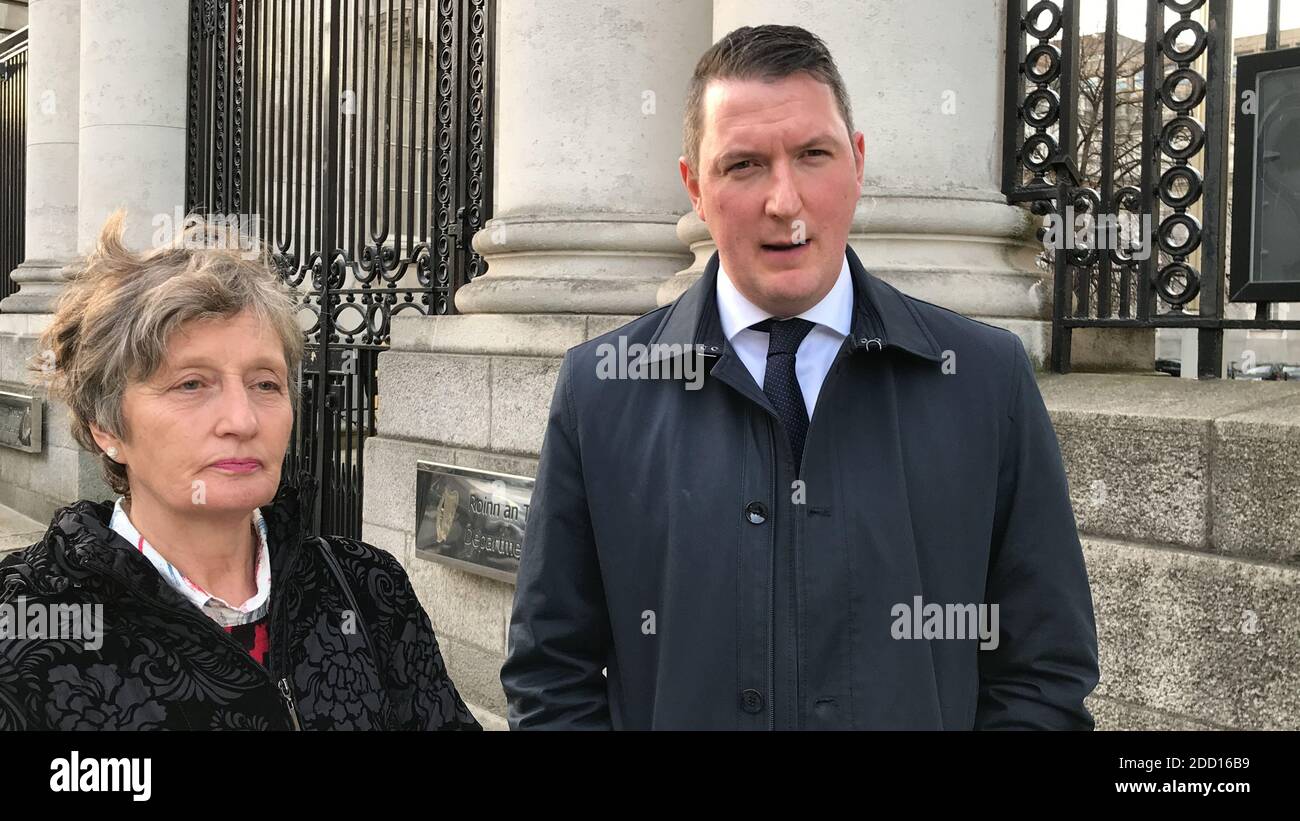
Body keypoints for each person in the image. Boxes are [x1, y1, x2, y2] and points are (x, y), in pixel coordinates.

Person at [501, 25, 1099, 730]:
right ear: (695, 186)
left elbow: (1044, 670)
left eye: (813, 155)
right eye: (745, 165)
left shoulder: (985, 380)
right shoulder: (600, 391)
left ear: (858, 163)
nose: (785, 201)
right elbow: (551, 676)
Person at [0, 212, 480, 730]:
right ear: (105, 426)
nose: (242, 420)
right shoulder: (24, 625)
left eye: (265, 384)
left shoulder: (367, 588)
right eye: (191, 384)